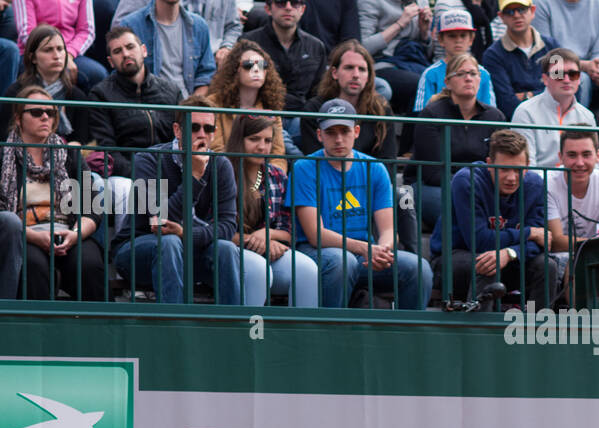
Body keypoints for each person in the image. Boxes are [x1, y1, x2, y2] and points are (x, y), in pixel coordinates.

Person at [291, 98, 431, 310]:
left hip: (363, 255)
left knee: (419, 268)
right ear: (320, 135)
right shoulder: (304, 167)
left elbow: (389, 229)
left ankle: (404, 337)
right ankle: (330, 331)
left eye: (344, 131)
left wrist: (382, 251)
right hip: (317, 252)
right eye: (331, 132)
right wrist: (366, 249)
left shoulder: (374, 168)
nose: (339, 139)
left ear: (356, 131)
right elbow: (315, 234)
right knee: (341, 261)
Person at [112, 95, 243, 304]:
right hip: (138, 249)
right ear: (177, 130)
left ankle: (232, 328)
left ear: (215, 133)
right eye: (194, 127)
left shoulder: (221, 165)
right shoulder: (148, 159)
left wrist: (187, 234)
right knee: (169, 242)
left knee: (226, 249)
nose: (202, 134)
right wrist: (195, 177)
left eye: (208, 129)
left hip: (190, 250)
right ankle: (174, 328)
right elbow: (158, 220)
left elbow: (227, 226)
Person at [430, 128, 556, 305]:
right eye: (503, 169)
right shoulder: (467, 179)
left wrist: (510, 253)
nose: (511, 178)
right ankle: (477, 330)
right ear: (489, 164)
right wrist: (528, 233)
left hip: (508, 259)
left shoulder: (535, 184)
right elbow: (479, 241)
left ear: (527, 166)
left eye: (518, 170)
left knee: (547, 265)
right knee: (488, 262)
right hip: (455, 259)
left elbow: (541, 241)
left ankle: (538, 328)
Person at [0, 88, 104, 301]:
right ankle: (38, 333)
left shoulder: (70, 156)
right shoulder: (4, 156)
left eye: (51, 112)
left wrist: (75, 234)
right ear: (19, 119)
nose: (45, 117)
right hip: (26, 235)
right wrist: (36, 237)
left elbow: (92, 209)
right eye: (37, 112)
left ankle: (105, 332)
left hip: (69, 232)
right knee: (33, 267)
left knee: (89, 265)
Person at [220, 112, 318, 308]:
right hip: (230, 251)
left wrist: (268, 235)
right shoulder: (222, 171)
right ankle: (248, 335)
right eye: (254, 139)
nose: (262, 146)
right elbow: (213, 228)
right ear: (239, 140)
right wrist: (254, 240)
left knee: (308, 270)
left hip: (268, 250)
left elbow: (290, 231)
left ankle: (302, 336)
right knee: (258, 270)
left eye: (267, 140)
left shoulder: (276, 175)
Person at [410, 53, 505, 230]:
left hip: (480, 188)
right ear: (447, 82)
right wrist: (472, 188)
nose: (468, 78)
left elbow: (501, 164)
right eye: (461, 74)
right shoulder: (432, 114)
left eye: (473, 74)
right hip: (433, 186)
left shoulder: (495, 117)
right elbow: (433, 173)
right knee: (458, 208)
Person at [544, 127, 599, 308]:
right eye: (572, 155)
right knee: (577, 260)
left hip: (593, 252)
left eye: (586, 154)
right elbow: (556, 241)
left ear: (598, 155)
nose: (579, 162)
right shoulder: (548, 183)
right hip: (557, 259)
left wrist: (594, 246)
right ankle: (585, 331)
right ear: (560, 157)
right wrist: (594, 244)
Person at [115, 0, 216, 99]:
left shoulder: (199, 26)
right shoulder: (130, 26)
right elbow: (123, 77)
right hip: (147, 107)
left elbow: (205, 75)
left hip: (188, 109)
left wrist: (191, 107)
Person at [86, 25, 179, 177]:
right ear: (110, 62)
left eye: (130, 47)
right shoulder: (101, 95)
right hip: (127, 177)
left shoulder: (171, 91)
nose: (125, 54)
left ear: (144, 50)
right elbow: (108, 149)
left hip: (170, 174)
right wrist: (140, 175)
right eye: (117, 51)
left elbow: (181, 140)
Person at [357, 0, 432, 116]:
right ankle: (410, 144)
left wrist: (424, 32)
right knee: (420, 85)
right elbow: (362, 48)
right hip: (382, 65)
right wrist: (400, 23)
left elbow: (425, 49)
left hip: (412, 62)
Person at [242, 0, 328, 117]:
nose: (288, 7)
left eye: (295, 3)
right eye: (281, 2)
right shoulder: (248, 43)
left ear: (302, 9)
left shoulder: (316, 47)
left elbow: (318, 96)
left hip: (301, 119)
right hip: (259, 116)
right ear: (268, 9)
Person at [300, 40, 391, 159]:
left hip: (369, 176)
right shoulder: (313, 109)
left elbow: (388, 161)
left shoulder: (381, 109)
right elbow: (315, 161)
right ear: (334, 73)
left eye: (362, 69)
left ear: (368, 76)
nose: (356, 75)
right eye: (349, 68)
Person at [1, 27, 91, 146]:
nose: (56, 55)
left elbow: (82, 139)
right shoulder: (16, 93)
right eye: (48, 50)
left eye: (60, 49)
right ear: (33, 58)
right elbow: (5, 136)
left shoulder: (76, 95)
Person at [510, 47, 597, 167]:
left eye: (573, 74)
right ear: (545, 79)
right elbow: (527, 168)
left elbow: (594, 166)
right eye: (558, 74)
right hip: (540, 183)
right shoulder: (525, 112)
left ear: (579, 79)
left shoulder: (587, 116)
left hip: (577, 182)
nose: (566, 80)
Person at [482, 0, 557, 120]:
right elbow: (506, 103)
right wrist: (545, 93)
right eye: (509, 11)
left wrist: (526, 96)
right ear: (501, 17)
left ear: (532, 11)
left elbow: (563, 90)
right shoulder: (492, 55)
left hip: (555, 120)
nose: (516, 15)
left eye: (521, 9)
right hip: (516, 126)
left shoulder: (552, 48)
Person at [204, 39, 287, 156]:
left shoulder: (270, 105)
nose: (256, 69)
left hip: (260, 172)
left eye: (262, 65)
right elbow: (216, 151)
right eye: (248, 65)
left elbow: (277, 155)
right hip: (227, 170)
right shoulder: (214, 103)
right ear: (235, 70)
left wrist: (262, 174)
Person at [415, 7, 495, 110]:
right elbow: (421, 115)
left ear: (471, 39)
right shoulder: (430, 74)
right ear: (440, 40)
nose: (458, 40)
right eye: (452, 36)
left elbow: (490, 113)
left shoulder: (483, 73)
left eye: (463, 35)